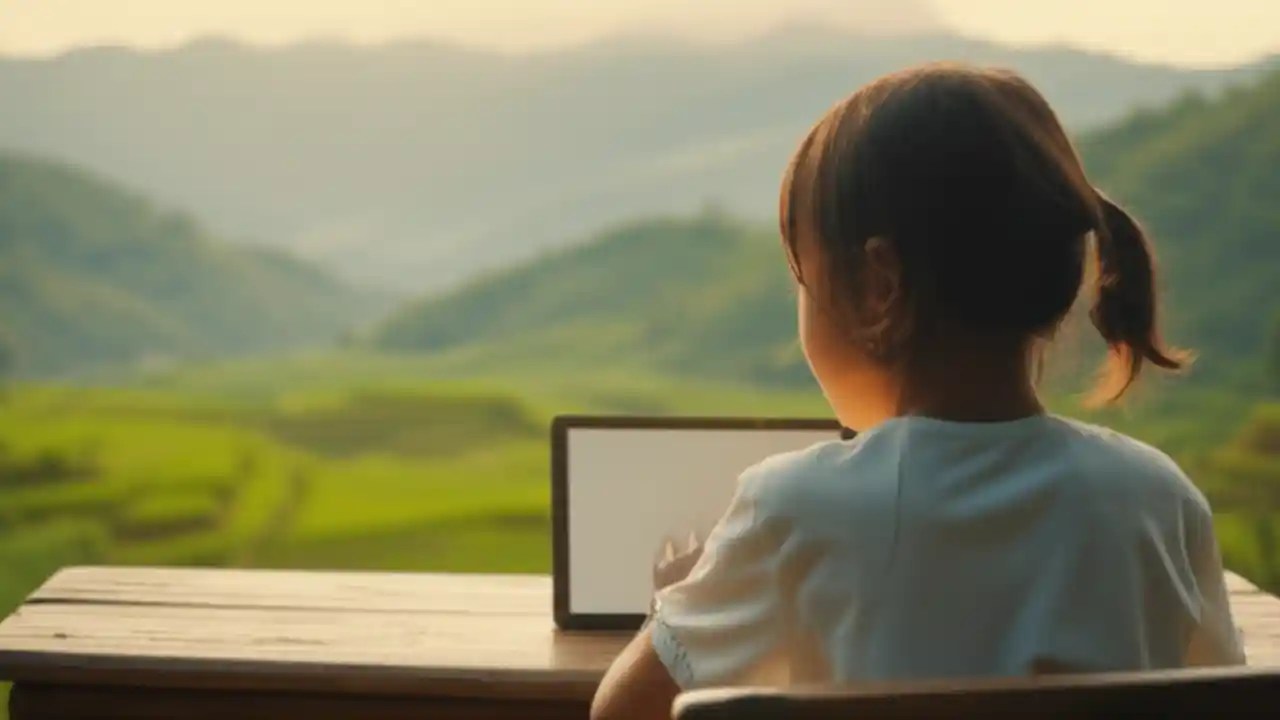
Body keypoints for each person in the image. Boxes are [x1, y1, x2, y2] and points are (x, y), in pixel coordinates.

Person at [590, 62, 1246, 720]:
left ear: (880, 284)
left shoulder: (791, 510)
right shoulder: (1159, 501)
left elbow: (620, 712)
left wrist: (679, 612)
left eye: (803, 278)